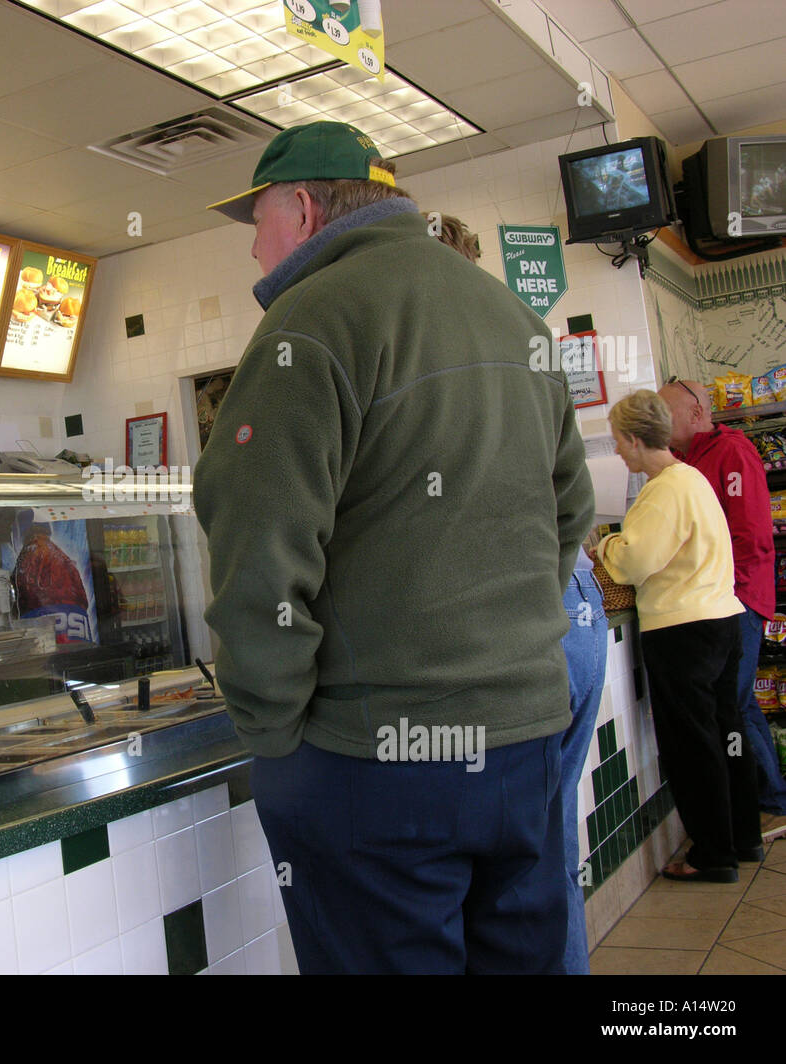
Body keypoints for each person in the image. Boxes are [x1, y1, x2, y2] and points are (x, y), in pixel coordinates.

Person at [194, 122, 595, 973]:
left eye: (255, 221)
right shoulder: (512, 314)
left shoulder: (311, 318)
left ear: (301, 208)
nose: (254, 250)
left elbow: (256, 541)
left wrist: (273, 728)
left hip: (373, 758)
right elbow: (568, 516)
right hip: (523, 743)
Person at [431, 208, 607, 972]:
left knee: (505, 874)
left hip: (519, 627)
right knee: (542, 855)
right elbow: (575, 500)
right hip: (574, 609)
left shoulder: (427, 351)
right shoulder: (519, 338)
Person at [594, 390, 760, 881]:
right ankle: (744, 837)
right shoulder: (692, 480)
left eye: (618, 442)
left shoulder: (664, 487)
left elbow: (636, 561)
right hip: (722, 619)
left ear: (631, 437)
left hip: (683, 630)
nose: (619, 453)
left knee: (694, 746)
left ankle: (712, 855)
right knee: (728, 733)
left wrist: (607, 544)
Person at [658, 378, 786, 834]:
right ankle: (770, 800)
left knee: (730, 701)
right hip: (715, 599)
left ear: (696, 414)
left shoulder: (730, 452)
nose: (658, 422)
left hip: (739, 597)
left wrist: (718, 587)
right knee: (740, 700)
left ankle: (762, 804)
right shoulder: (679, 460)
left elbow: (750, 534)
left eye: (665, 413)